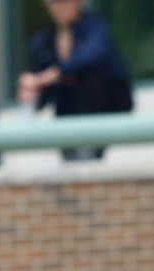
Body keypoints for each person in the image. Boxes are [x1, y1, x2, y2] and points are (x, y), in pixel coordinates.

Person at [18, 0, 134, 162]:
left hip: (104, 115)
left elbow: (91, 55)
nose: (60, 7)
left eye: (65, 2)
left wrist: (56, 73)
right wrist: (33, 89)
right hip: (67, 118)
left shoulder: (95, 28)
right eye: (54, 3)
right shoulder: (44, 40)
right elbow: (45, 90)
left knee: (90, 78)